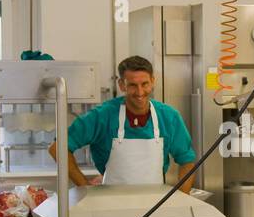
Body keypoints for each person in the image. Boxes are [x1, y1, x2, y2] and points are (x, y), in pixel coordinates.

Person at [49, 56, 198, 189]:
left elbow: (187, 160)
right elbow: (57, 148)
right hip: (110, 205)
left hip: (155, 204)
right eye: (132, 85)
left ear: (153, 81)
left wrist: (181, 198)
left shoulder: (168, 116)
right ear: (121, 85)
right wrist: (84, 186)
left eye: (145, 84)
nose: (140, 92)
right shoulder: (102, 116)